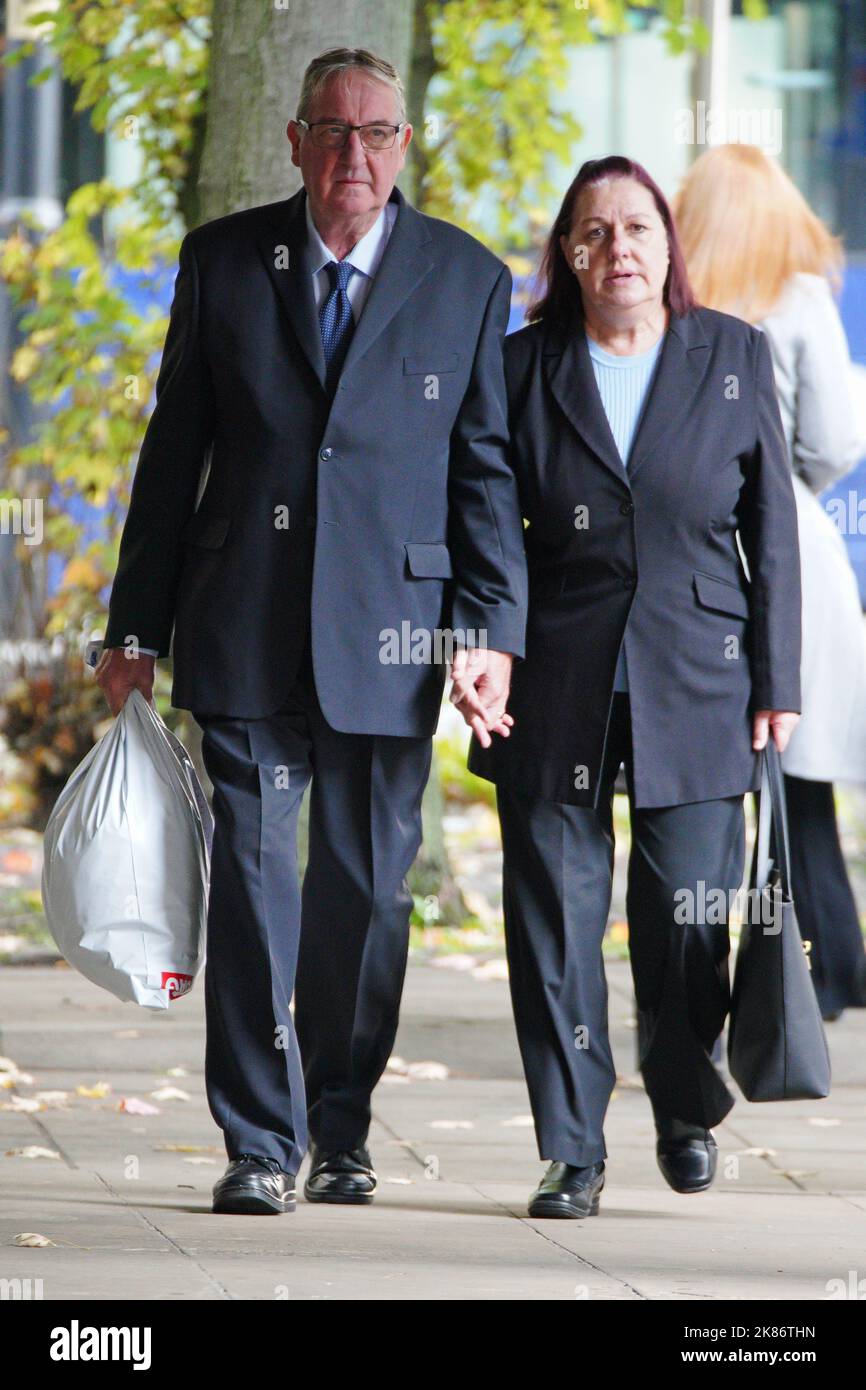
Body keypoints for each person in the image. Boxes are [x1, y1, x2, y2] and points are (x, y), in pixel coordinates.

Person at [96, 47, 526, 1216]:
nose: (354, 155)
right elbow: (171, 450)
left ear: (403, 146)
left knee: (367, 893)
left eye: (377, 133)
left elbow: (482, 472)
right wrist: (132, 624)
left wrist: (488, 630)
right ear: (293, 141)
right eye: (332, 132)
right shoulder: (225, 261)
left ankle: (338, 1122)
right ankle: (254, 1137)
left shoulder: (466, 279)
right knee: (248, 873)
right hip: (242, 621)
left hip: (392, 632)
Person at [466, 155, 801, 1219]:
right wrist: (485, 640)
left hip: (701, 676)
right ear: (565, 255)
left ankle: (680, 1100)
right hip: (552, 677)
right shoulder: (520, 366)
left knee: (683, 918)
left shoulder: (733, 357)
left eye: (638, 229)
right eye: (593, 232)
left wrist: (775, 679)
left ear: (669, 247)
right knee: (553, 923)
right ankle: (571, 1147)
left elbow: (773, 535)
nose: (618, 249)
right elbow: (483, 521)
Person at [673, 143, 866, 1022]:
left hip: (692, 555)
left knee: (708, 783)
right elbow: (832, 440)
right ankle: (821, 973)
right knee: (802, 778)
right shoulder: (797, 297)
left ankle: (723, 980)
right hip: (791, 547)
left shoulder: (671, 304)